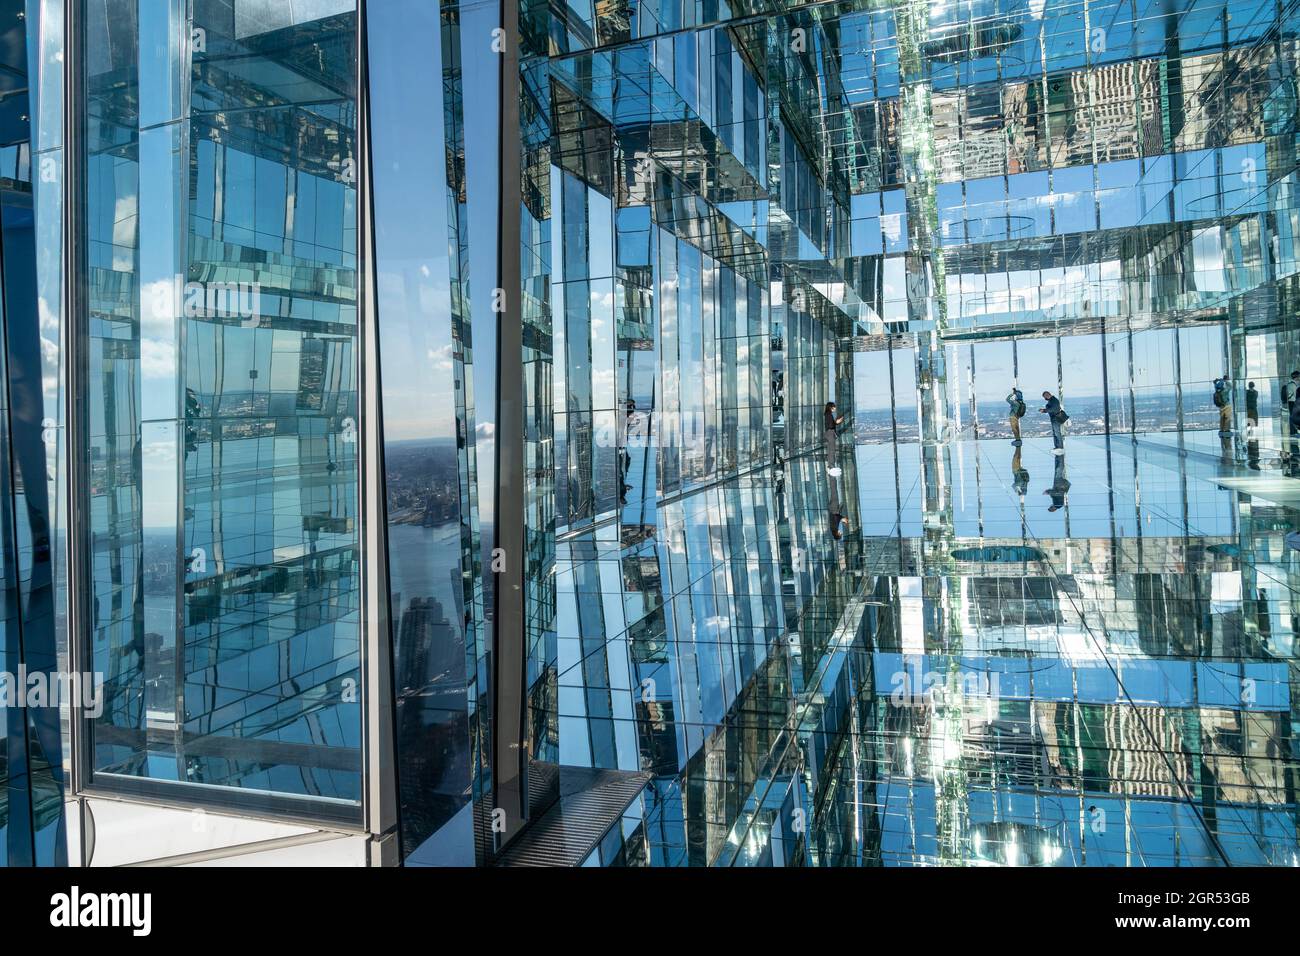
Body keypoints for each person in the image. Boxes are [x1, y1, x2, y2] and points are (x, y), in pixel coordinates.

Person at [824, 401, 845, 477]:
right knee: (832, 450)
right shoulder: (829, 415)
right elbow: (831, 425)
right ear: (831, 407)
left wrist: (836, 422)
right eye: (834, 407)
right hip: (830, 433)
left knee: (830, 450)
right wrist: (837, 422)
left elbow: (831, 424)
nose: (835, 408)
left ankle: (830, 466)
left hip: (829, 433)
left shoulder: (827, 414)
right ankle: (831, 466)